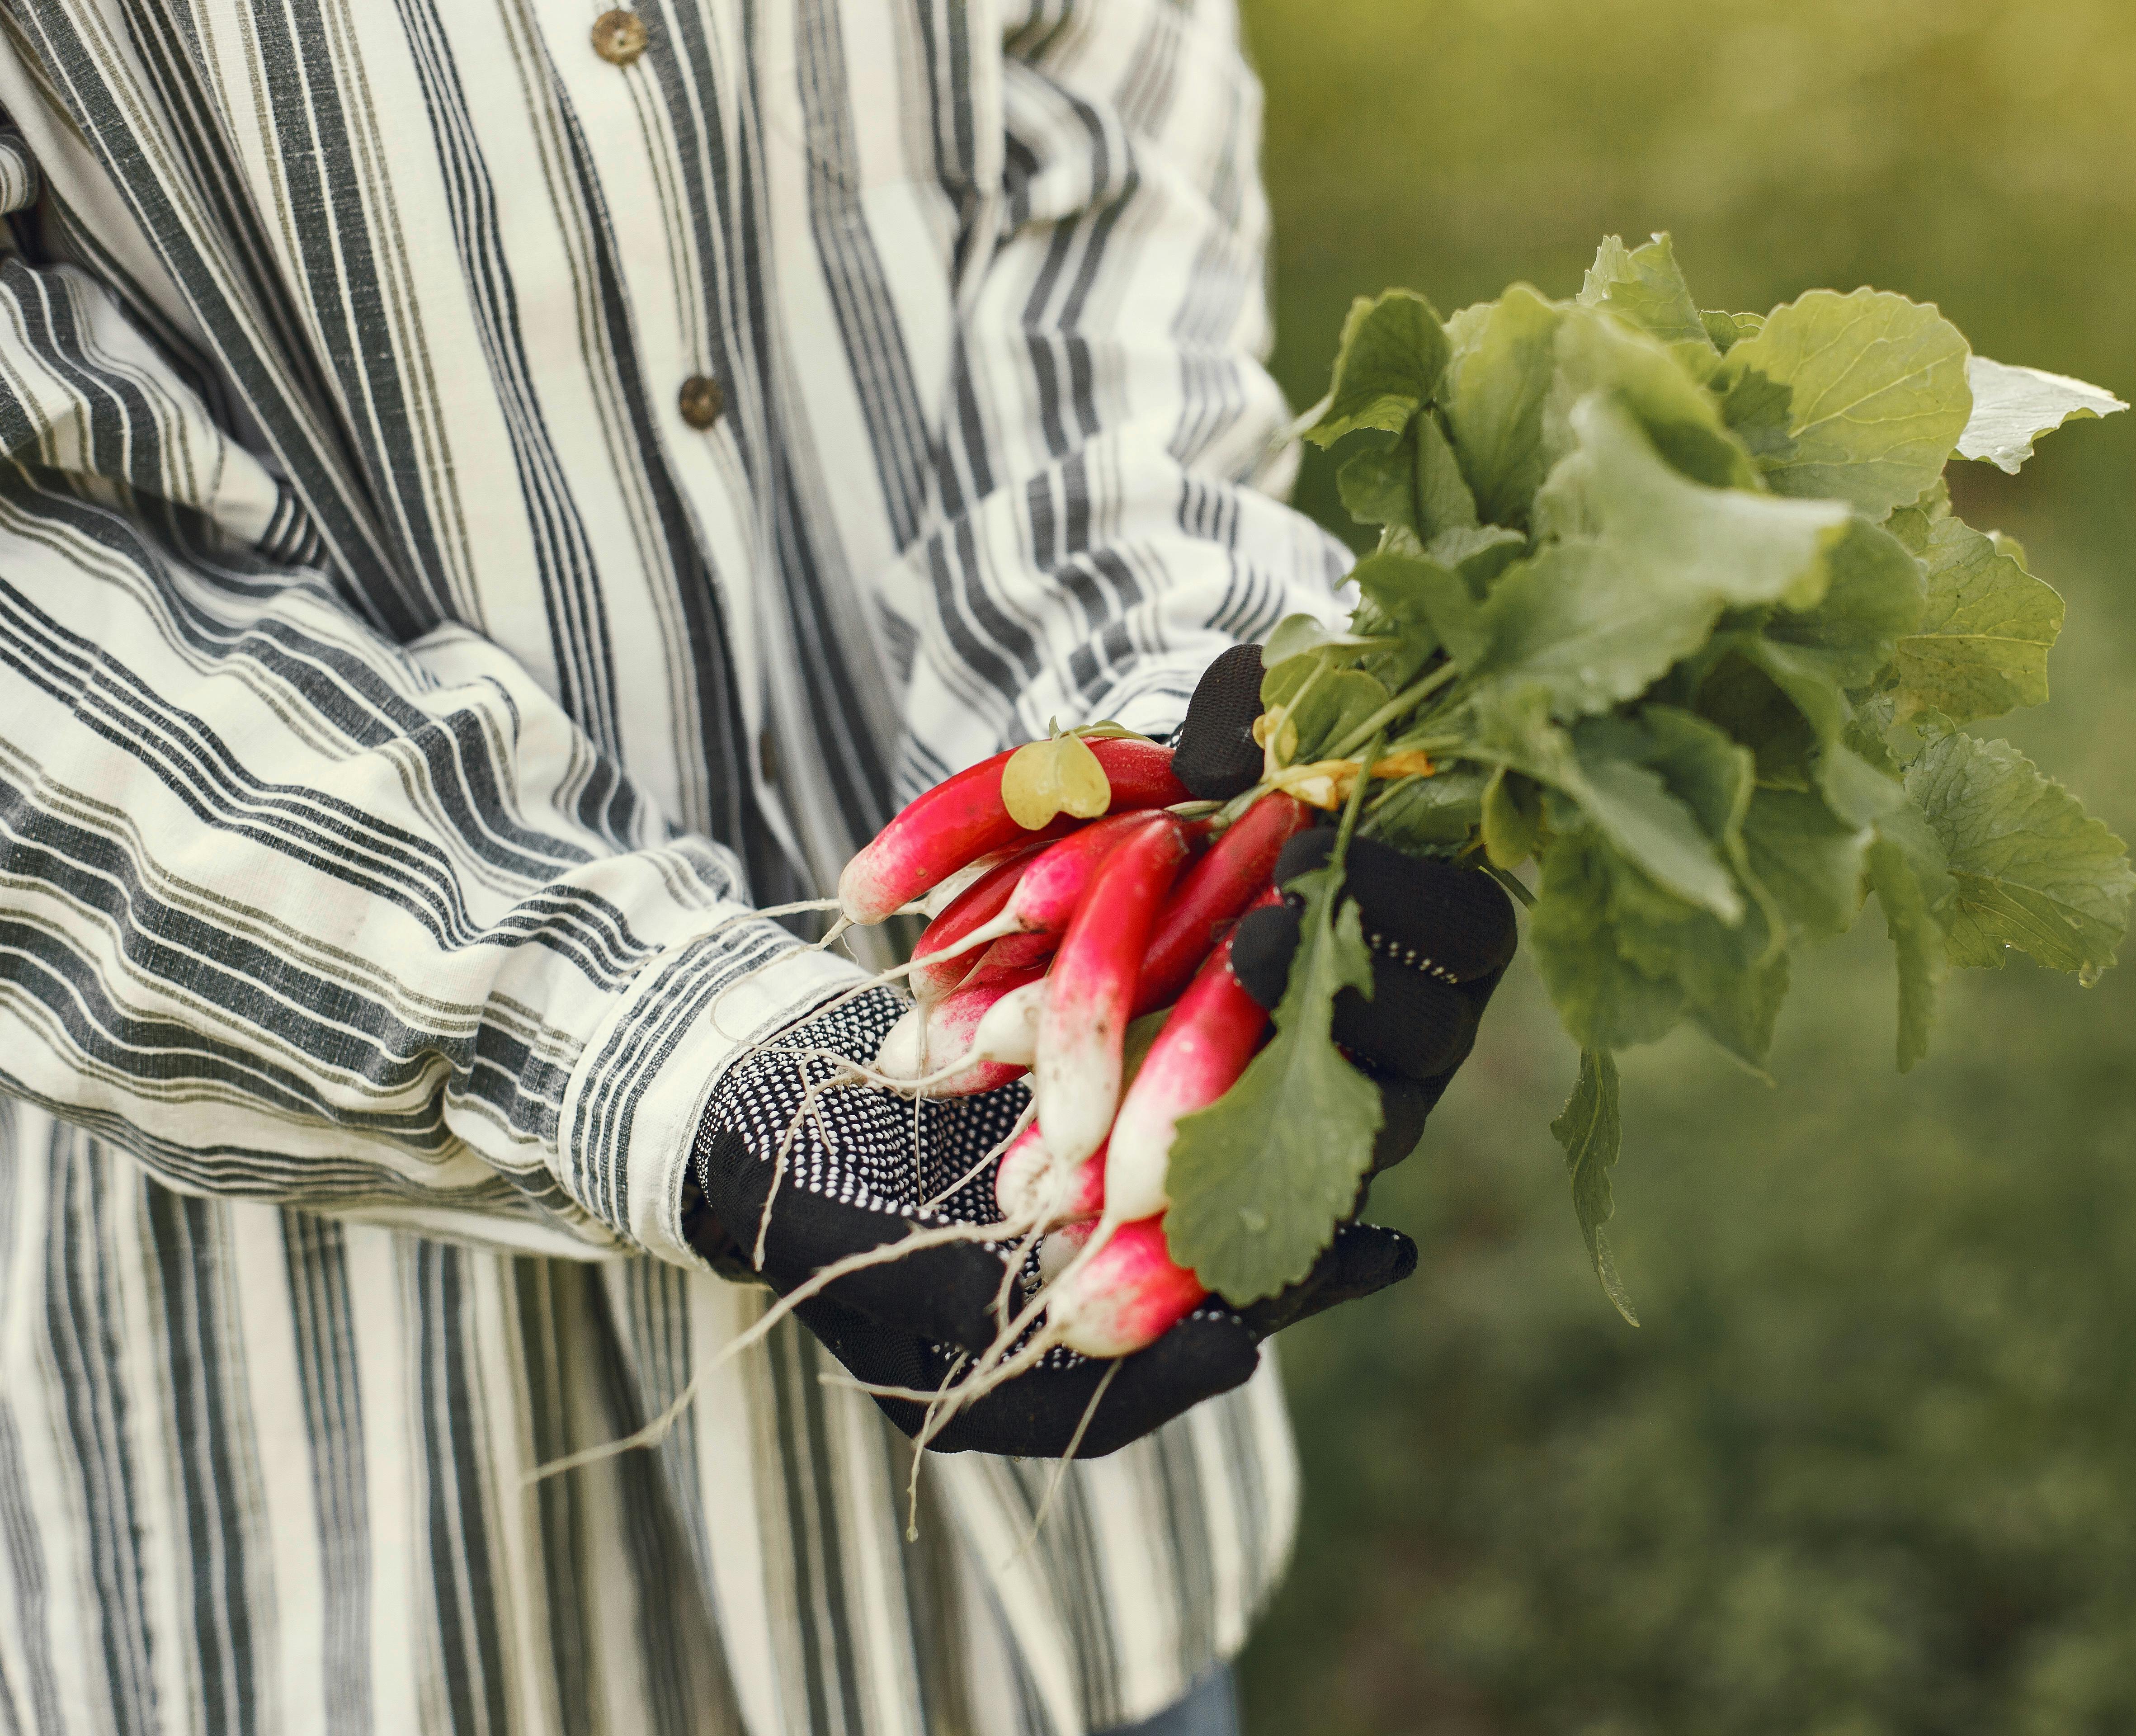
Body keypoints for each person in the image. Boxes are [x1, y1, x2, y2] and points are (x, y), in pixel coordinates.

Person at [0, 2, 1503, 1732]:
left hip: (1070, 1612)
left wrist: (1171, 752)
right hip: (367, 1591)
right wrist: (688, 1075)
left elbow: (1101, 225)